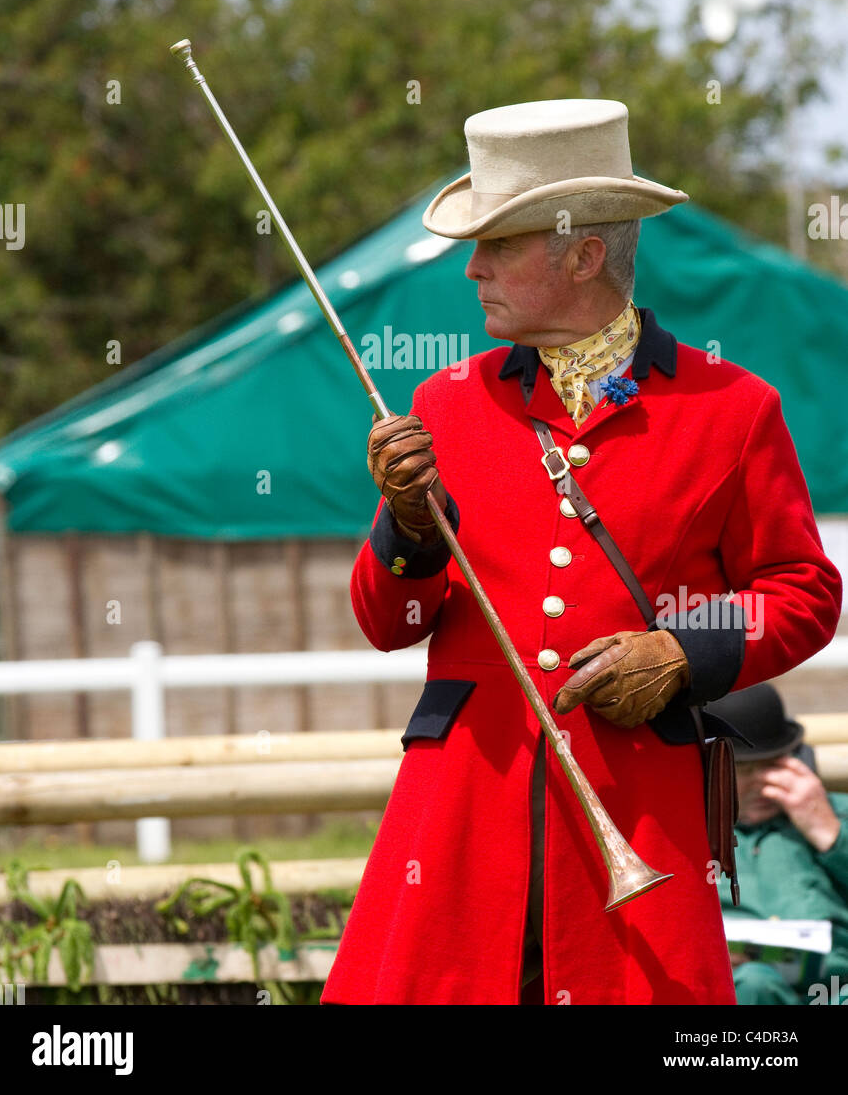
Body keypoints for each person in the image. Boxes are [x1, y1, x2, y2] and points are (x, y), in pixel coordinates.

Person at [320, 99, 842, 1006]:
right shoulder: (444, 402)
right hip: (461, 823)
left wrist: (685, 650)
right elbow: (388, 624)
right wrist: (404, 525)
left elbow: (802, 591)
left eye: (499, 243)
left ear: (583, 252)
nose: (473, 268)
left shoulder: (731, 409)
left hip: (638, 814)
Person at [709, 683, 848, 1005]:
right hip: (738, 988)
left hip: (836, 986)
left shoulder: (835, 813)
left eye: (774, 765)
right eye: (745, 770)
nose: (767, 784)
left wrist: (829, 833)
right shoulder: (683, 836)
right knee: (755, 983)